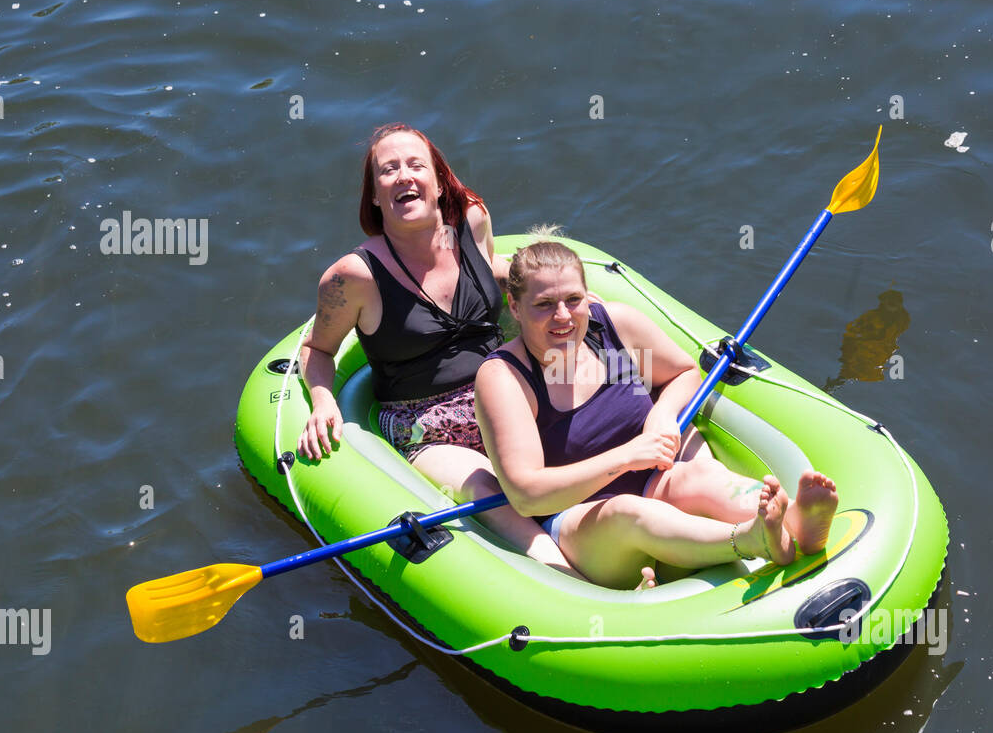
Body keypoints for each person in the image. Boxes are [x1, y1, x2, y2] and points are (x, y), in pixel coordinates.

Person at [474, 230, 840, 590]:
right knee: (629, 511)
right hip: (576, 520)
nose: (563, 316)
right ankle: (750, 539)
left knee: (695, 477)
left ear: (587, 298)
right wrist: (626, 457)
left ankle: (797, 522)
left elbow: (683, 372)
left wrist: (661, 415)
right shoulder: (505, 377)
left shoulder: (613, 326)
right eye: (544, 304)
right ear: (515, 307)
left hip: (651, 480)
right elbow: (527, 494)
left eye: (573, 299)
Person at [295, 124, 573, 572]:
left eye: (415, 164)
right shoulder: (353, 278)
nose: (404, 175)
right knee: (490, 490)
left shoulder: (472, 222)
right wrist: (323, 400)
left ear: (439, 181)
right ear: (374, 196)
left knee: (580, 444)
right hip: (427, 423)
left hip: (505, 386)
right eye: (389, 170)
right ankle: (569, 579)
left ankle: (619, 546)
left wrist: (563, 298)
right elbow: (317, 349)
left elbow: (493, 272)